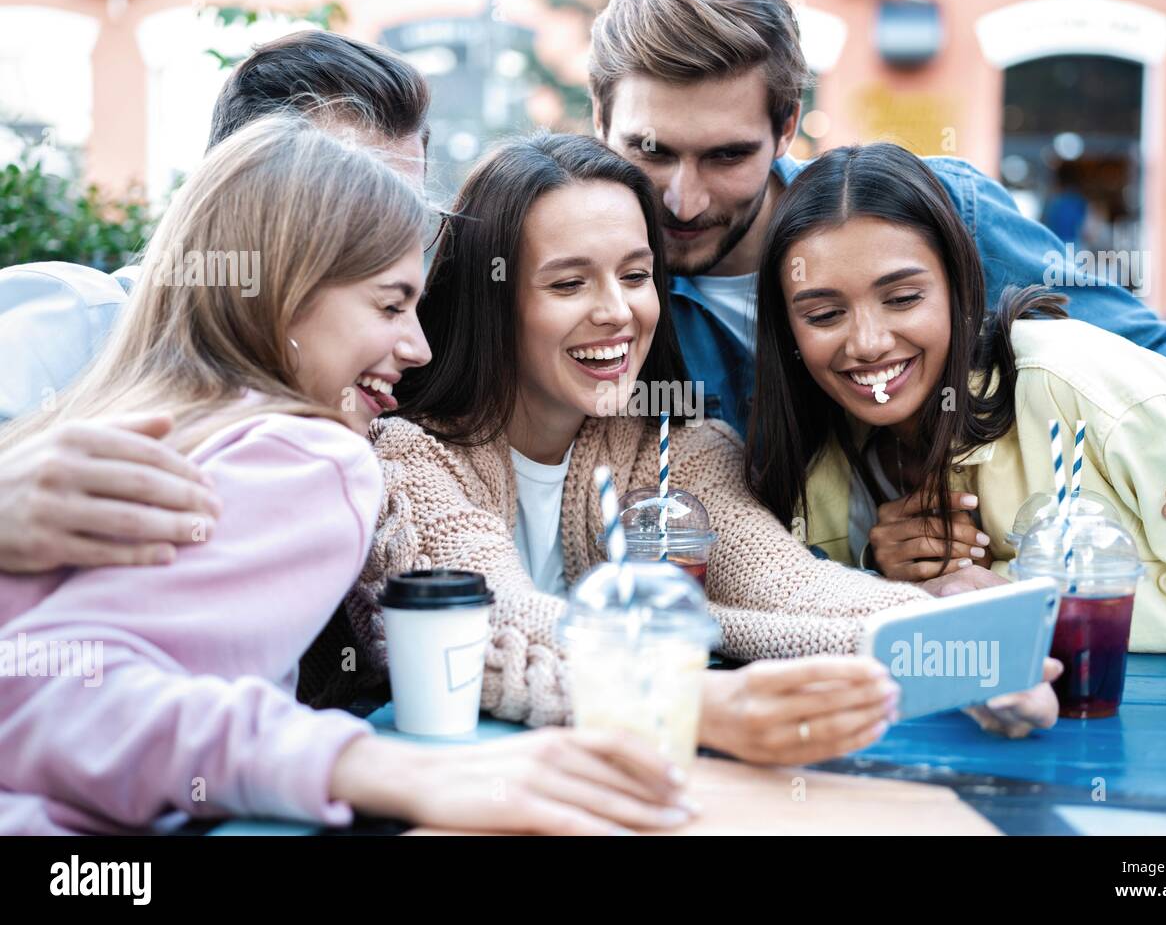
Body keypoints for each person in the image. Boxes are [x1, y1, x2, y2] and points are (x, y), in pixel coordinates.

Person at [0, 115, 695, 837]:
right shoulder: (310, 457)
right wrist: (369, 768)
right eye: (391, 304)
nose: (418, 346)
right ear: (285, 292)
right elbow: (53, 693)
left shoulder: (101, 428)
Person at [330, 131, 1060, 759]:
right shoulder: (406, 458)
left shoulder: (679, 448)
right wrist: (708, 674)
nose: (617, 313)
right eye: (568, 284)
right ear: (494, 298)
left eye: (637, 275)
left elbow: (791, 587)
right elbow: (503, 633)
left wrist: (957, 643)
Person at [588, 0, 1166, 564]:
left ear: (784, 127)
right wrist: (874, 561)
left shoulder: (935, 214)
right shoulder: (602, 304)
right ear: (600, 122)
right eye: (651, 151)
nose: (684, 198)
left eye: (726, 156)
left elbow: (1145, 345)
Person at [745, 144, 1166, 652]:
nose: (866, 344)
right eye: (823, 315)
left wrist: (1024, 597)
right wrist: (886, 574)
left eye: (904, 298)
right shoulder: (816, 443)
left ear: (961, 289)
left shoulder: (1074, 384)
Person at [0, 29, 431, 572]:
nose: (382, 236)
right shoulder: (67, 321)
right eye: (340, 206)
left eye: (403, 209)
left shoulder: (366, 399)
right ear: (237, 191)